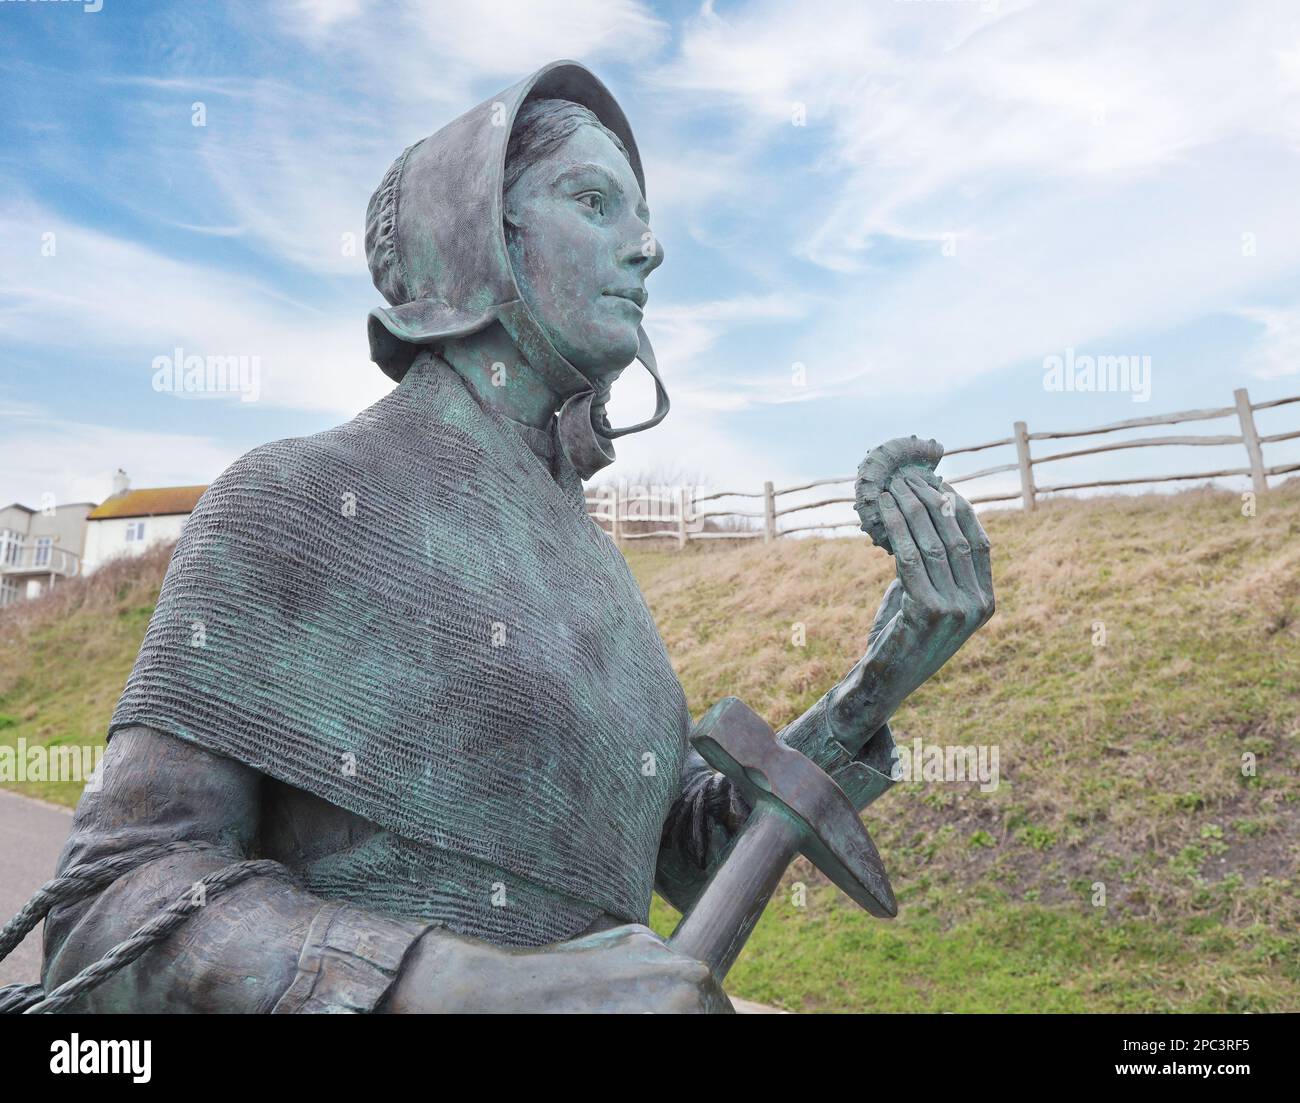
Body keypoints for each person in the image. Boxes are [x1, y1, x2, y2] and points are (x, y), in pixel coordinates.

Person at [38, 61, 993, 1014]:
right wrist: (465, 986)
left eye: (641, 216)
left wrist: (876, 686)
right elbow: (106, 917)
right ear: (480, 239)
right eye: (594, 201)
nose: (649, 248)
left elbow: (689, 860)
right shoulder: (296, 499)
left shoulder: (603, 575)